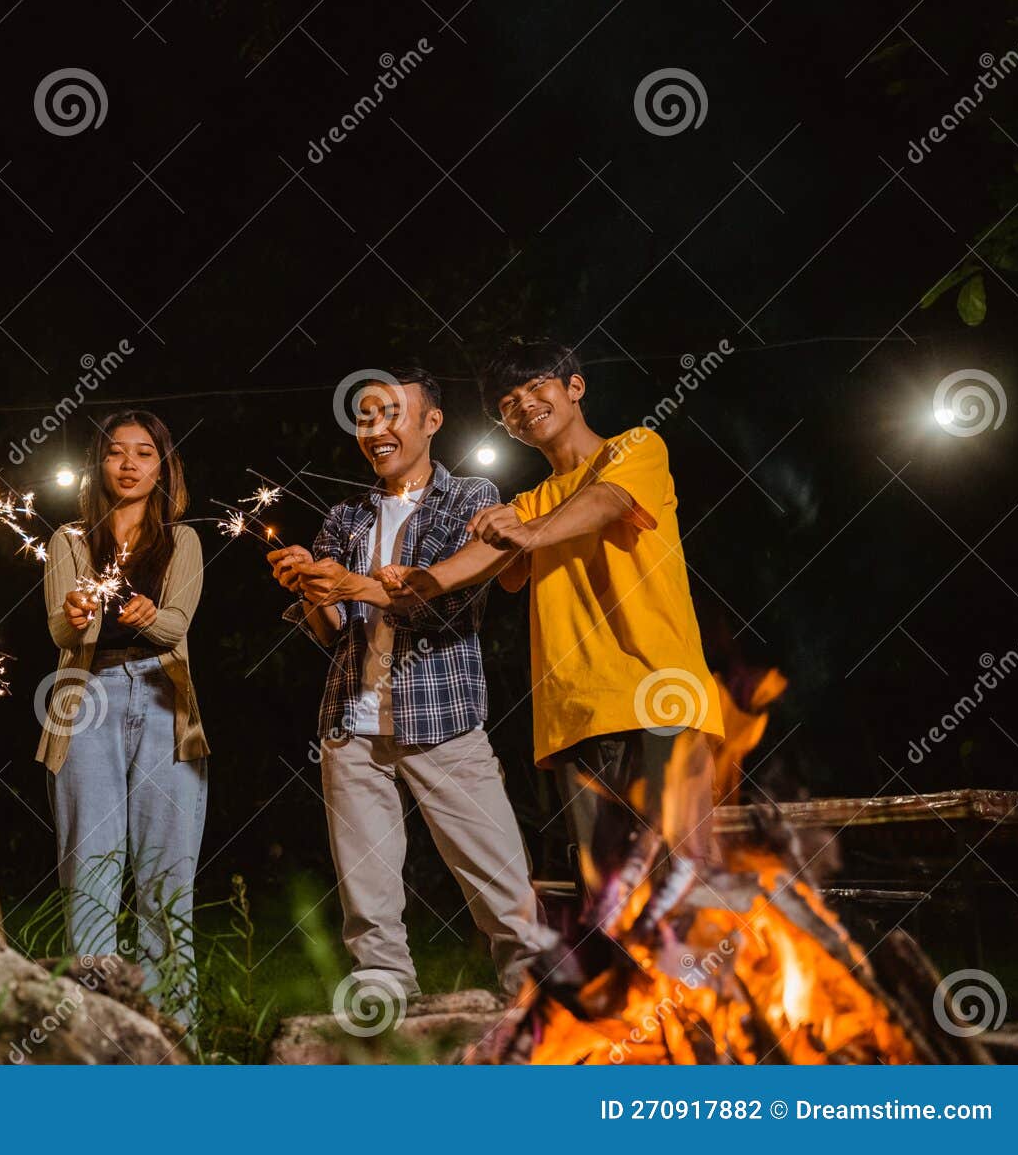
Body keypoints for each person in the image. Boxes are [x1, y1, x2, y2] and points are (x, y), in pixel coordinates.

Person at [378, 341, 725, 931]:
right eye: (508, 404)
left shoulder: (635, 448)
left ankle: (707, 1020)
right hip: (574, 713)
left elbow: (605, 501)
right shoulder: (529, 503)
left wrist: (530, 533)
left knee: (681, 881)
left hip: (661, 695)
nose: (523, 405)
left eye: (536, 386)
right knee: (608, 897)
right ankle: (626, 1020)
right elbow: (475, 564)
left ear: (574, 386)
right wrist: (413, 583)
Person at [265, 366, 548, 1004]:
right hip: (351, 722)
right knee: (367, 900)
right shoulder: (346, 514)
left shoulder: (473, 497)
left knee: (502, 884)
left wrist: (354, 584)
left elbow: (443, 599)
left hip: (443, 716)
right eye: (365, 417)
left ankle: (536, 1020)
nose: (376, 429)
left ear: (431, 421)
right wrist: (310, 583)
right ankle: (386, 1015)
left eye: (391, 413)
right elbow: (333, 630)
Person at [38, 410, 207, 1021]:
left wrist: (144, 616)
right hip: (87, 698)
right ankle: (90, 1028)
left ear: (163, 466)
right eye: (116, 453)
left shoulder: (182, 540)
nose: (129, 464)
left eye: (144, 453)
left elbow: (176, 625)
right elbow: (59, 628)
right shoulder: (70, 540)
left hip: (165, 697)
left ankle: (173, 1033)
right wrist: (81, 616)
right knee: (89, 874)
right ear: (99, 465)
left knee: (167, 875)